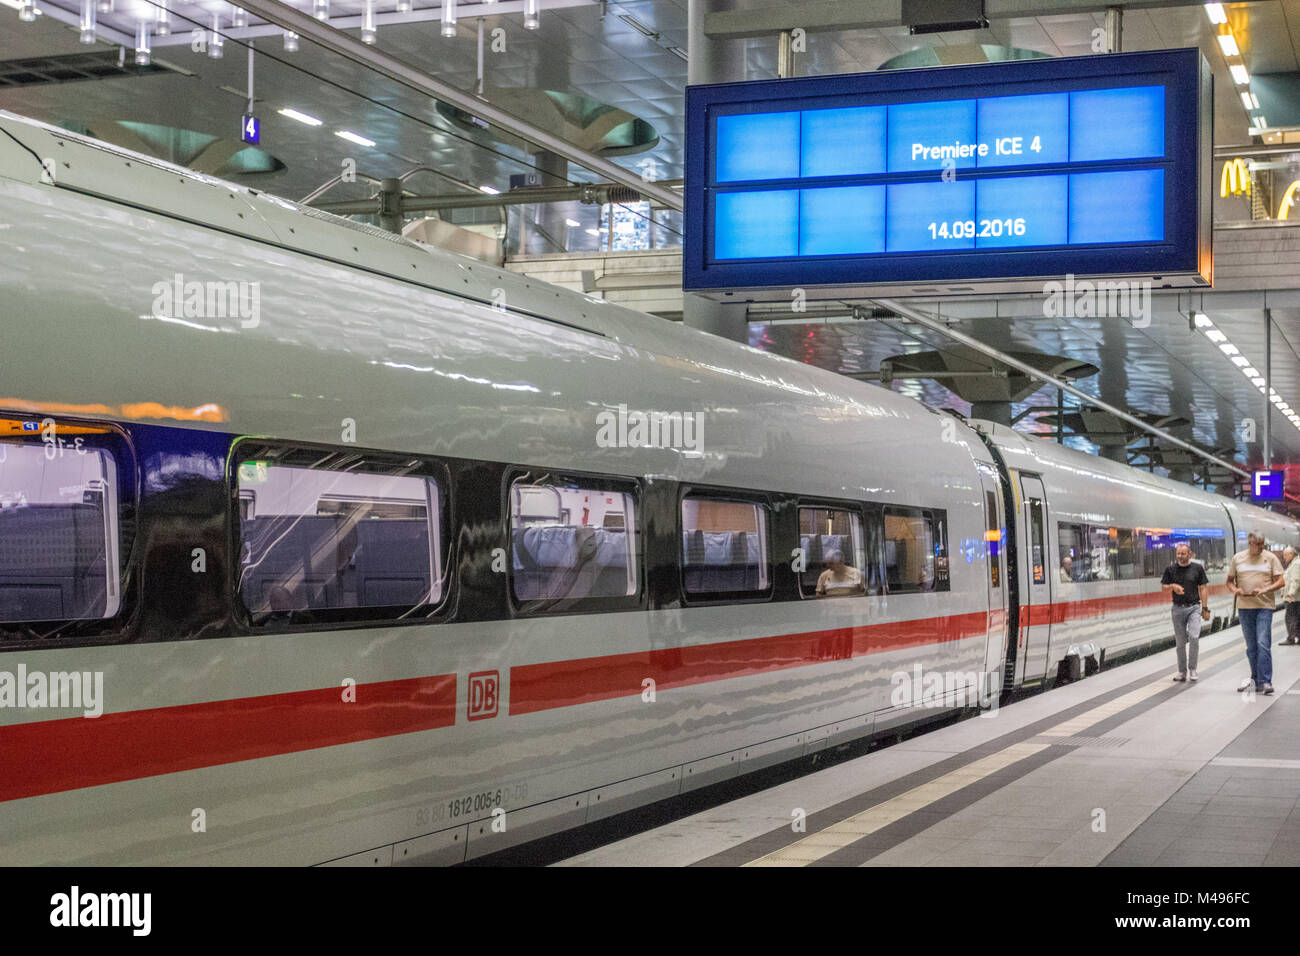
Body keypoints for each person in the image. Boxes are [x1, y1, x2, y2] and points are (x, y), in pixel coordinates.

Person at [1227, 532, 1286, 695]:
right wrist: (1236, 591)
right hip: (1245, 607)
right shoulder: (1237, 558)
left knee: (1262, 643)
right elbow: (1229, 581)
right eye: (1258, 544)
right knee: (1251, 647)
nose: (1262, 547)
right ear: (1250, 544)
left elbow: (1281, 581)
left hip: (1264, 606)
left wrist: (1265, 589)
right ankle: (1255, 680)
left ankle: (1266, 681)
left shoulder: (1270, 558)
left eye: (1263, 543)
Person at [1161, 542, 1210, 682]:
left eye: (1183, 553)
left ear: (1189, 554)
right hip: (1177, 609)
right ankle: (1182, 672)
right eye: (1178, 553)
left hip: (1194, 607)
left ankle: (1192, 668)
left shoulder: (1197, 568)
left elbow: (1203, 588)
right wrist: (1172, 586)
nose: (1180, 556)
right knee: (1180, 642)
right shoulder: (1170, 570)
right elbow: (1164, 587)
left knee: (1194, 637)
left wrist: (1205, 608)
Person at [1283, 546, 1300, 646]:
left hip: (1294, 598)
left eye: (1285, 554)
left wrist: (1291, 594)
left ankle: (1291, 638)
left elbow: (1296, 580)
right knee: (1296, 617)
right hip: (1296, 597)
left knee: (1290, 618)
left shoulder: (1296, 564)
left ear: (1291, 554)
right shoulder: (1293, 563)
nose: (1284, 557)